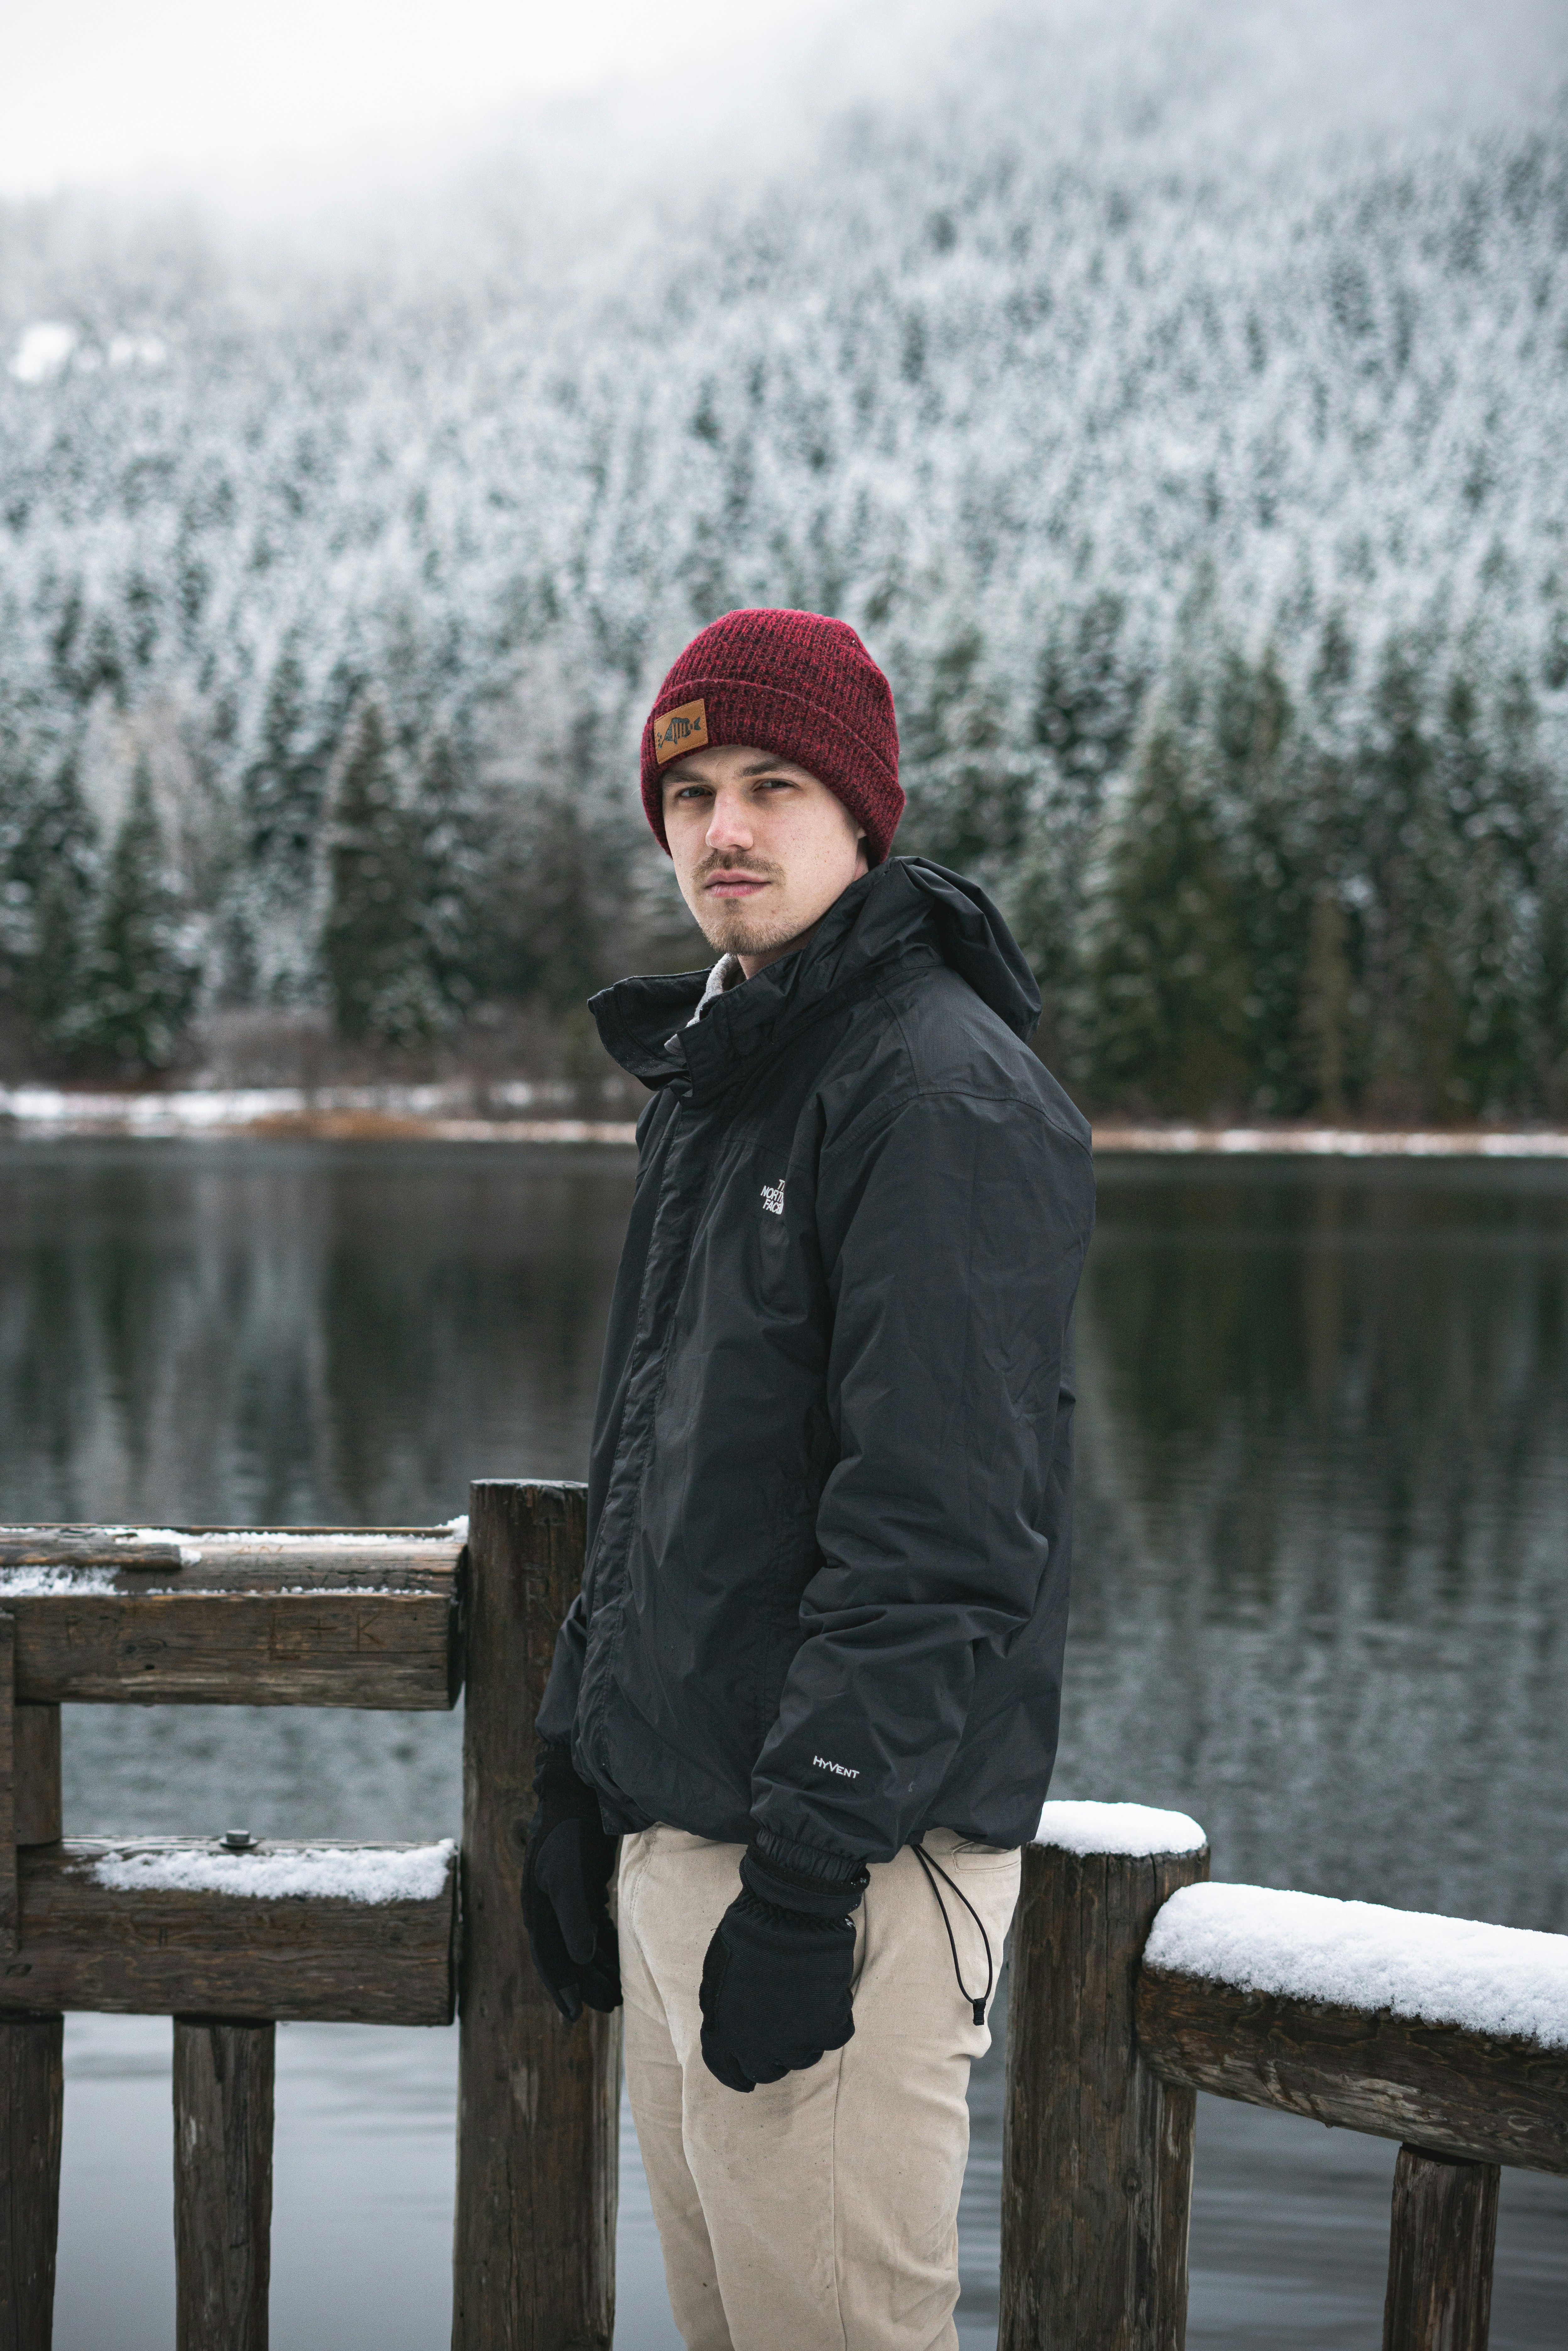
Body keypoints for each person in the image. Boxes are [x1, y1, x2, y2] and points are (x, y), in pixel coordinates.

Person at [523, 606, 1095, 2351]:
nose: (724, 829)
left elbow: (941, 1530)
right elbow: (654, 1482)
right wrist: (576, 1768)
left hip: (845, 1869)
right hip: (694, 1836)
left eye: (773, 784)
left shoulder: (938, 1092)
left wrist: (800, 1885)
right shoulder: (728, 1085)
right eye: (689, 792)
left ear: (865, 815)